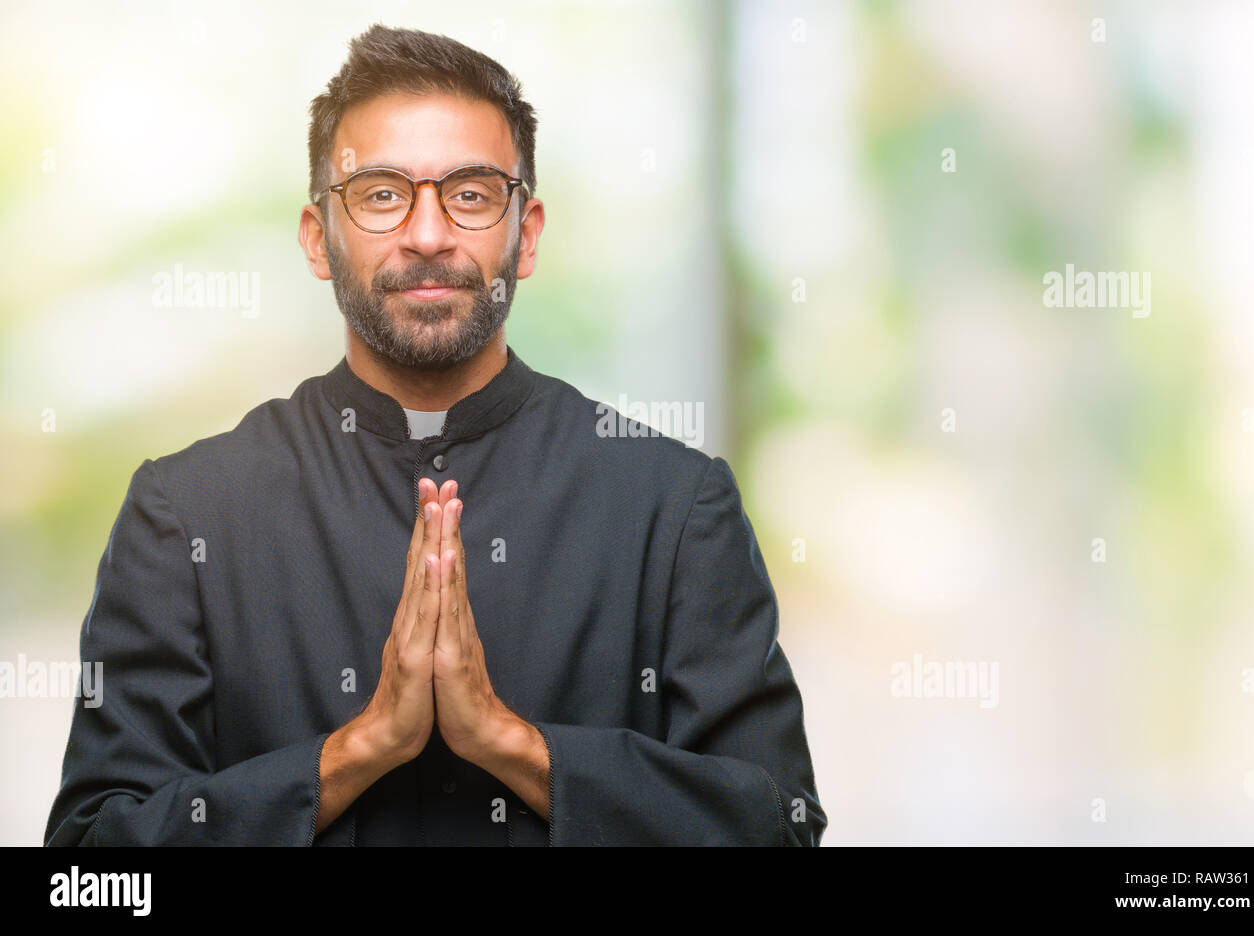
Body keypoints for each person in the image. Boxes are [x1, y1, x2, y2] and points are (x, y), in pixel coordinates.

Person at [44, 24, 826, 846]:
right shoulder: (187, 512)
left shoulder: (672, 505)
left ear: (525, 234)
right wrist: (358, 752)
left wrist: (511, 744)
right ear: (320, 237)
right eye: (381, 193)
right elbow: (92, 875)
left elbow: (782, 830)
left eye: (472, 193)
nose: (427, 234)